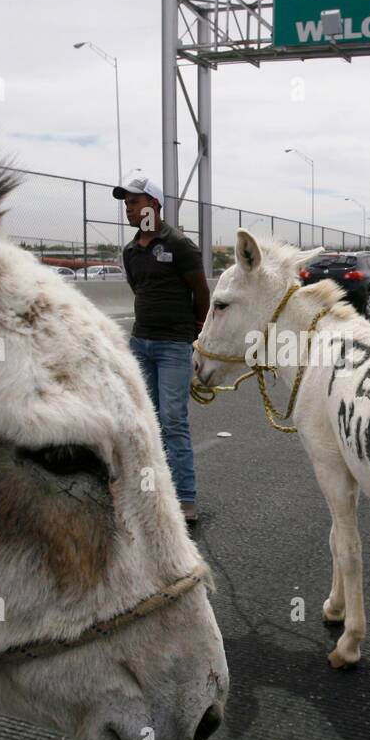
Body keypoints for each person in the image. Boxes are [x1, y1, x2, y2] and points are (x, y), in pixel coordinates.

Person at [115, 176, 210, 526]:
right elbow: (138, 288)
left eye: (134, 202)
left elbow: (201, 293)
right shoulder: (130, 251)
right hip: (140, 344)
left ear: (153, 205)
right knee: (145, 421)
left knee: (172, 421)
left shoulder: (181, 245)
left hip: (173, 345)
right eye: (126, 204)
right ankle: (151, 492)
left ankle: (185, 498)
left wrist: (196, 333)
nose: (129, 209)